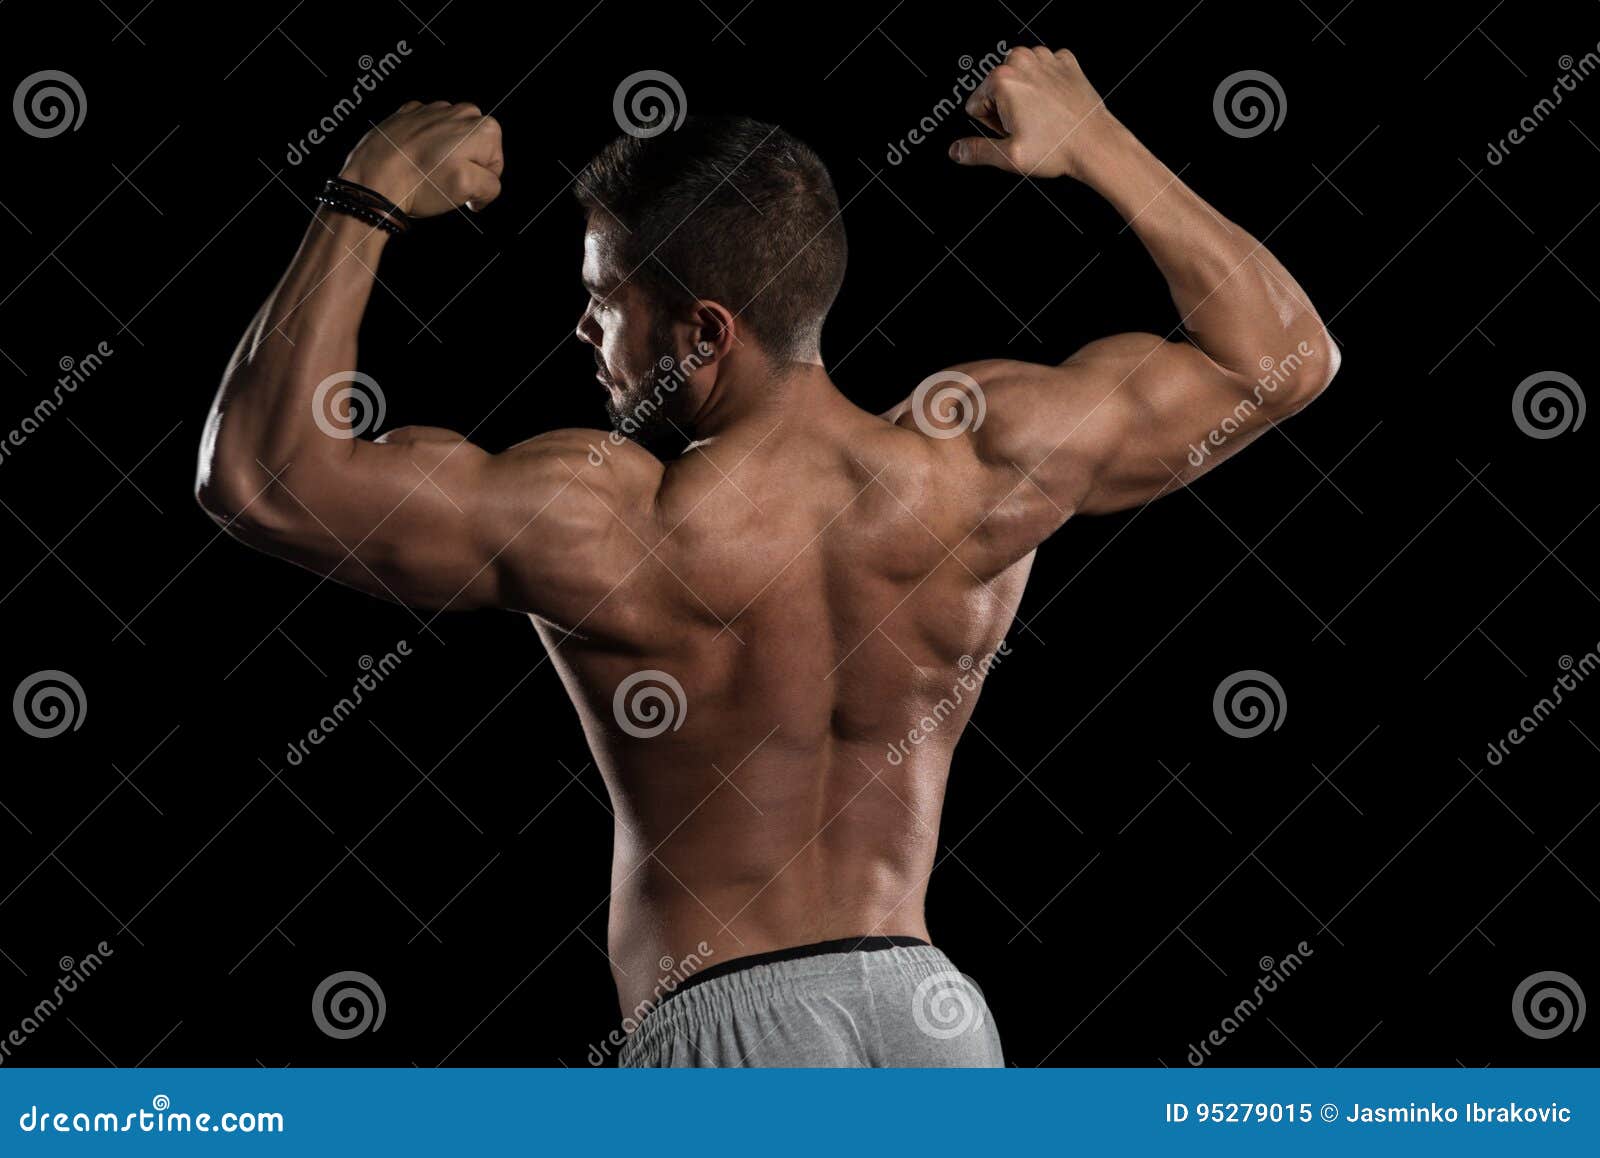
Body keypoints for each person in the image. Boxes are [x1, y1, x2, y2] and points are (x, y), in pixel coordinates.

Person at [195, 46, 1338, 1066]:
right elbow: (1280, 358)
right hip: (931, 1022)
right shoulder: (982, 461)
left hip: (727, 1030)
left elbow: (259, 478)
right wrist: (1097, 143)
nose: (583, 332)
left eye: (603, 301)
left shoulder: (601, 517)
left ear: (701, 331)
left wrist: (361, 201)